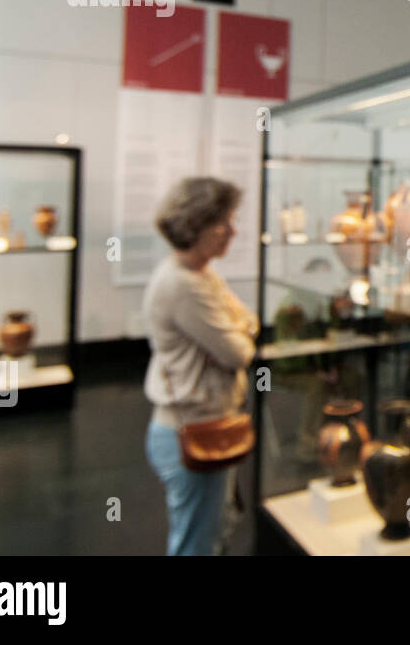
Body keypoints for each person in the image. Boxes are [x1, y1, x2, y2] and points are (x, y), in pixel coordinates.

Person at [143, 177, 257, 556]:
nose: (232, 231)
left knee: (211, 533)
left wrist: (231, 333)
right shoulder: (183, 284)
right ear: (196, 226)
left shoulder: (203, 274)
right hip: (190, 429)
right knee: (196, 544)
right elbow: (239, 354)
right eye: (223, 223)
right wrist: (231, 336)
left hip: (208, 420)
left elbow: (249, 323)